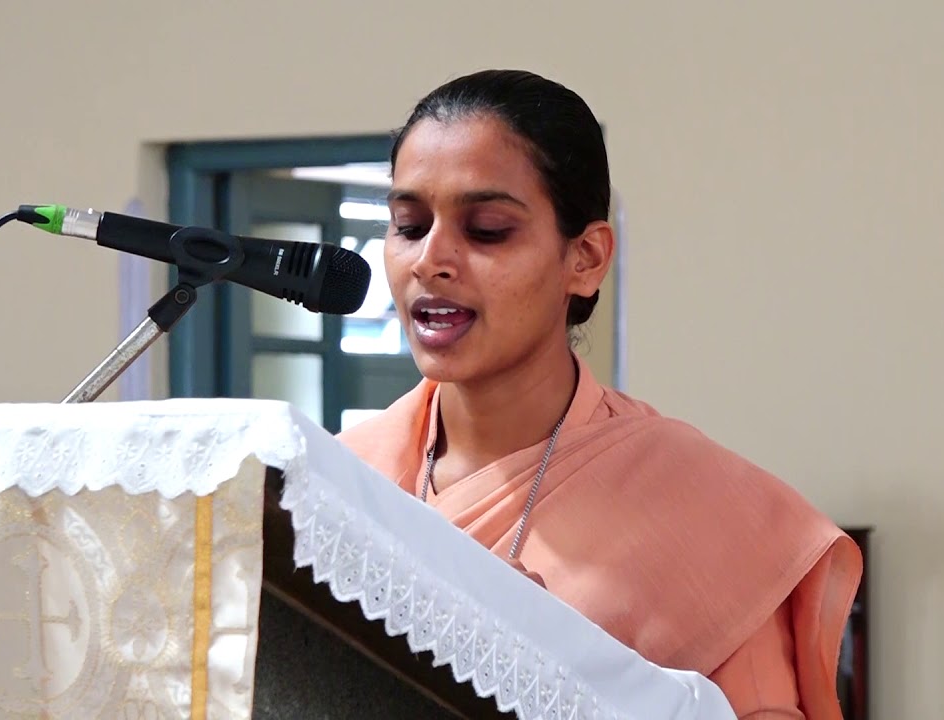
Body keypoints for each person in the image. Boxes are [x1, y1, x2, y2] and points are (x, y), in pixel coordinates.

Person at [339, 69, 863, 719]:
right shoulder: (333, 482)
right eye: (409, 225)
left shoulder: (708, 510)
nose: (430, 260)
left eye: (488, 230)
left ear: (585, 258)